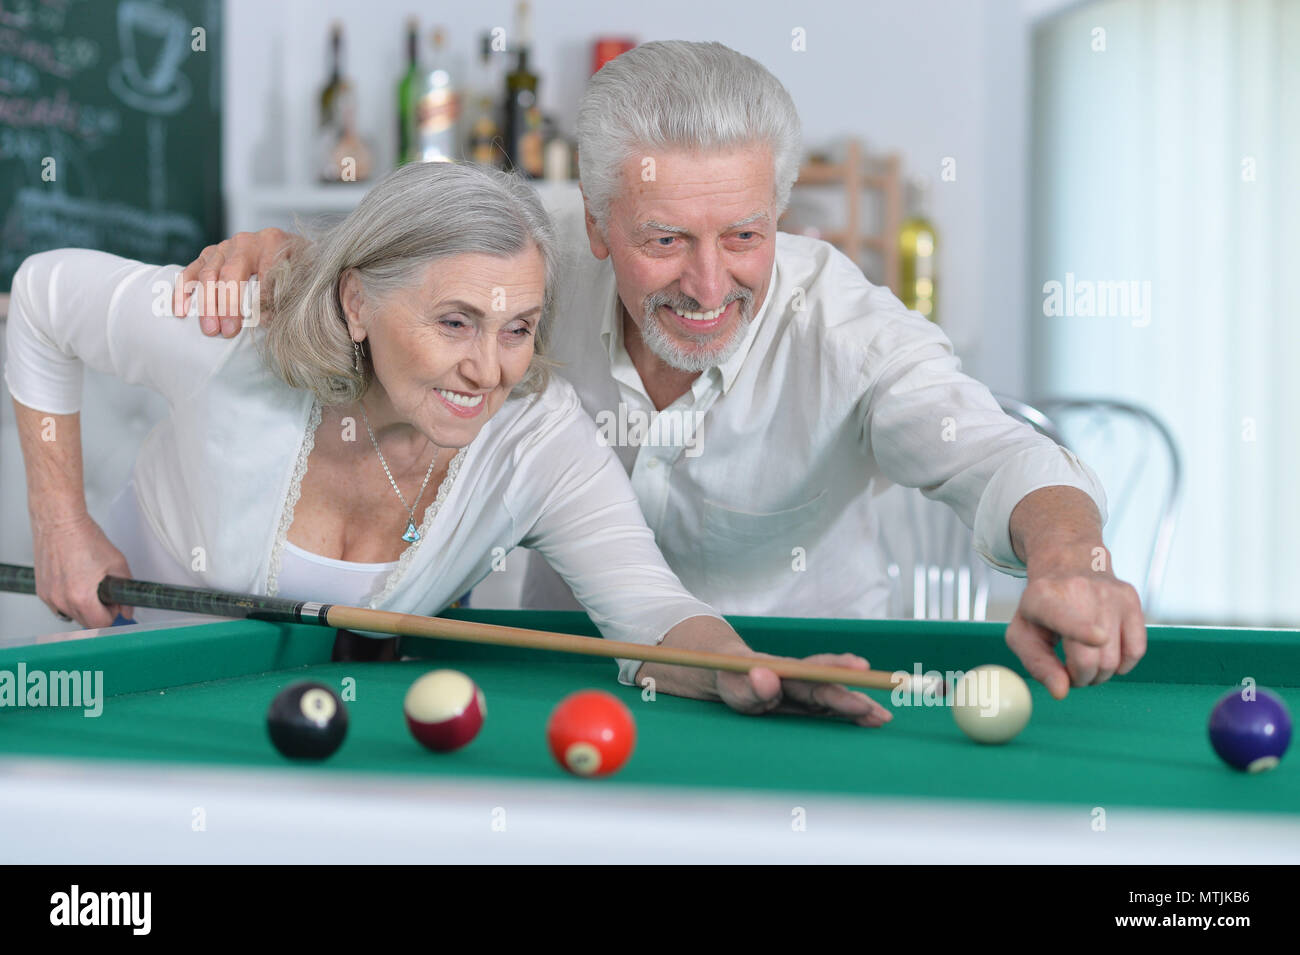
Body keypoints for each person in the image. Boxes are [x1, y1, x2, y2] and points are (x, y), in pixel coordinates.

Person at [175, 41, 1145, 701]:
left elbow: (995, 453)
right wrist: (280, 254)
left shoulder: (841, 326)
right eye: (667, 238)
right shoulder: (527, 252)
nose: (708, 283)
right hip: (556, 680)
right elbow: (388, 267)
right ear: (594, 226)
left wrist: (1068, 559)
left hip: (805, 681)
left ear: (781, 217)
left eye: (744, 235)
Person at [4, 161, 888, 724]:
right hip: (119, 693)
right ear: (356, 303)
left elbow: (650, 611)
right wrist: (60, 519)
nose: (488, 370)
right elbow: (42, 297)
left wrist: (748, 669)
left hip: (326, 733)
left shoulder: (537, 439)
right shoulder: (236, 333)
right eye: (455, 321)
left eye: (519, 329)